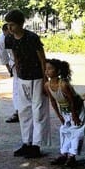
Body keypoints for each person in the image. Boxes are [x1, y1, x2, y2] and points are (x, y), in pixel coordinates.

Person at [4, 9, 50, 157]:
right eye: (8, 25)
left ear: (21, 24)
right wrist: (17, 75)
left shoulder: (32, 38)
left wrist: (45, 79)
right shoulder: (9, 39)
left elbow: (42, 59)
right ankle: (26, 142)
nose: (10, 28)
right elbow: (15, 57)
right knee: (24, 110)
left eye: (12, 25)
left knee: (38, 110)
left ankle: (36, 145)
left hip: (36, 77)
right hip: (22, 77)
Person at [44, 58, 85, 167]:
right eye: (46, 69)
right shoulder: (47, 85)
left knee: (76, 131)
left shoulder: (63, 84)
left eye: (50, 69)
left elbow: (71, 101)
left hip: (76, 109)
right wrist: (59, 116)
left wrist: (75, 115)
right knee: (64, 130)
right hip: (65, 110)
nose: (47, 71)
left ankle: (72, 156)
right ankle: (64, 154)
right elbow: (53, 101)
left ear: (58, 71)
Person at [0, 24, 19, 123]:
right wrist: (9, 69)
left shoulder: (20, 35)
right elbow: (3, 56)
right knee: (16, 88)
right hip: (14, 63)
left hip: (27, 63)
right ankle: (18, 111)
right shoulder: (1, 39)